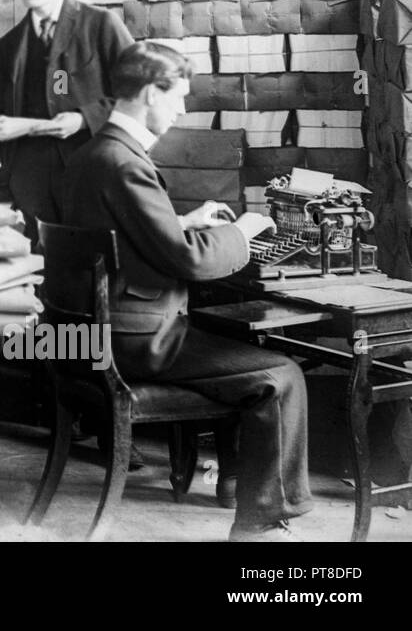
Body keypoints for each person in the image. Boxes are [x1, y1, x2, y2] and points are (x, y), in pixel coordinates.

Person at [58, 41, 313, 542]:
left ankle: (245, 490)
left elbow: (124, 235)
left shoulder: (93, 154)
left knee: (243, 350)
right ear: (151, 92)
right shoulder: (125, 162)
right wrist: (244, 231)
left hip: (92, 335)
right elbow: (189, 260)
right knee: (281, 376)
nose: (181, 109)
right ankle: (260, 526)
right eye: (178, 97)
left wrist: (180, 221)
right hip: (138, 340)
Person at [0, 0, 132, 240]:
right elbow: (0, 115)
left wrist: (85, 118)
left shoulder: (101, 25)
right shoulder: (9, 45)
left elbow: (140, 95)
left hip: (92, 173)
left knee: (95, 267)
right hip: (32, 184)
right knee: (44, 271)